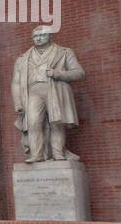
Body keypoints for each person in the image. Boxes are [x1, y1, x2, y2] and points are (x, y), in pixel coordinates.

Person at [11, 25, 84, 163]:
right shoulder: (22, 59)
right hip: (33, 93)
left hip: (55, 90)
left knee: (56, 123)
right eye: (35, 36)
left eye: (42, 35)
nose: (38, 38)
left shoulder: (64, 52)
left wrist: (58, 73)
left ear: (50, 36)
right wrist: (18, 102)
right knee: (33, 123)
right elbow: (16, 82)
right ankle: (37, 154)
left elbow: (79, 73)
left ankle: (58, 153)